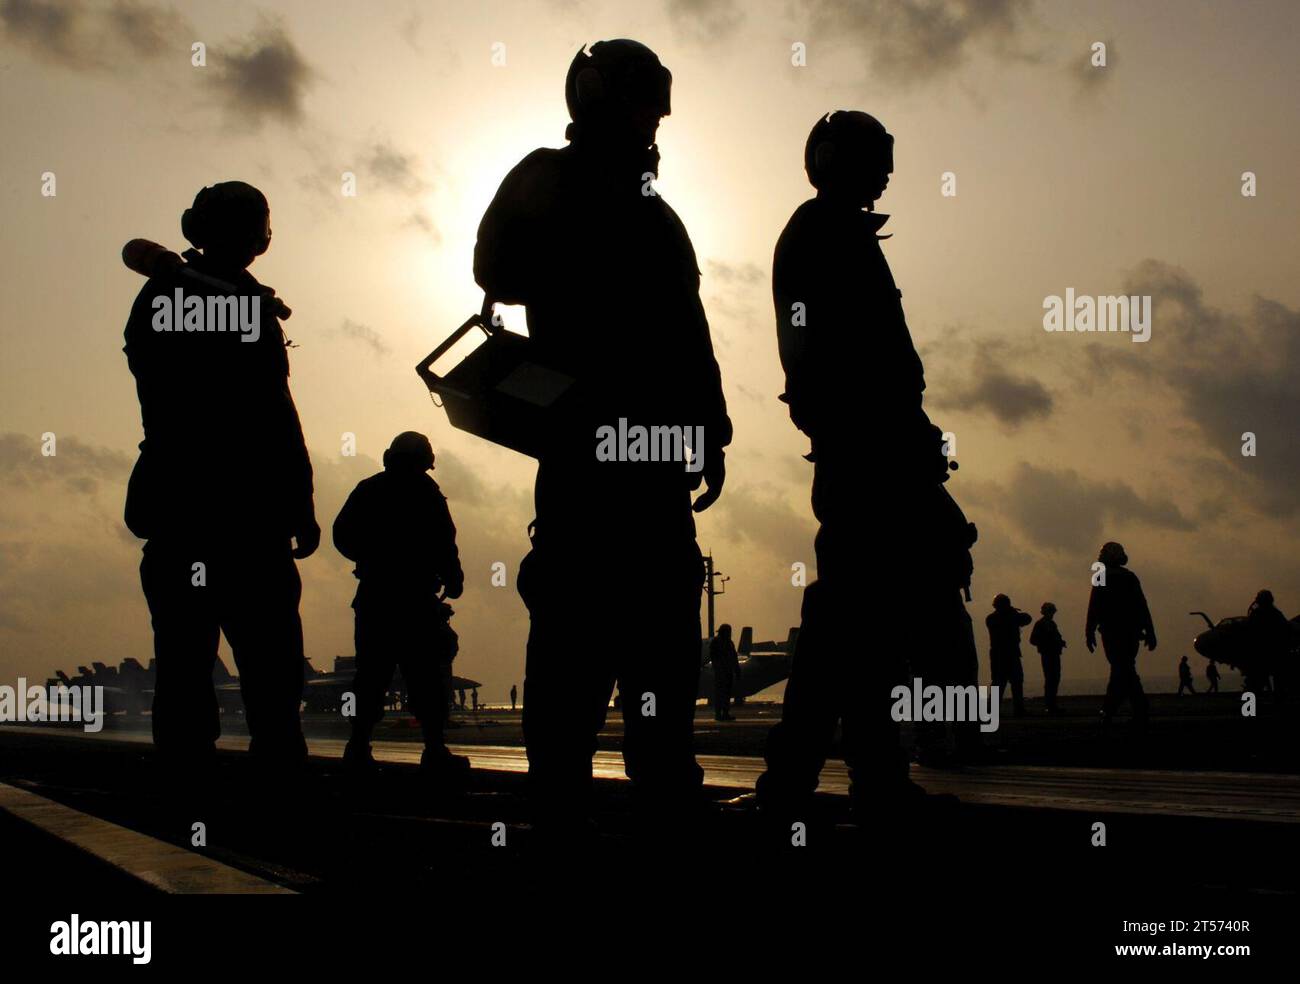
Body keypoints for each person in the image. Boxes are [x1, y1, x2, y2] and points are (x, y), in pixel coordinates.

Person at [474, 39, 731, 828]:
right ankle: (560, 791)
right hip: (586, 442)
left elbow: (689, 326)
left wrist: (710, 426)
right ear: (597, 97)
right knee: (576, 625)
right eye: (644, 98)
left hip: (653, 452)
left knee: (659, 621)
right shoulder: (551, 176)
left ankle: (660, 779)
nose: (656, 116)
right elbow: (497, 270)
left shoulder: (658, 213)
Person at [756, 110, 979, 819]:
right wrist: (874, 433)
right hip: (868, 452)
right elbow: (831, 355)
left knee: (855, 620)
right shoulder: (824, 235)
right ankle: (840, 775)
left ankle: (834, 773)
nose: (885, 172)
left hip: (876, 445)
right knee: (856, 619)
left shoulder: (837, 233)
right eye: (873, 158)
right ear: (832, 160)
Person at [123, 181, 318, 774]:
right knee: (246, 663)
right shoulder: (191, 300)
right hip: (227, 514)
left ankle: (216, 781)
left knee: (224, 663)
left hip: (208, 514)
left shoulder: (218, 300)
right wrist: (299, 501)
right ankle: (247, 782)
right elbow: (268, 413)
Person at [333, 432, 468, 779]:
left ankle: (358, 747)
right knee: (424, 678)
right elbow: (445, 542)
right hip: (413, 602)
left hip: (376, 599)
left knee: (371, 676)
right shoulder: (427, 494)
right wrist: (452, 578)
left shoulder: (369, 489)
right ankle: (434, 750)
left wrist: (372, 557)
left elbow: (342, 535)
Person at [1086, 541, 1156, 726]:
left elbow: (1094, 607)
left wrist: (1089, 631)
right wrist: (1150, 631)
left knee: (1122, 669)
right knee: (1123, 669)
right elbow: (1142, 606)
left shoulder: (1102, 577)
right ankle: (1116, 709)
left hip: (1112, 633)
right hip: (1130, 633)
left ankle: (1124, 709)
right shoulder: (1129, 577)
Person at [986, 595, 1031, 717]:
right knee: (1007, 683)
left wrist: (1012, 612)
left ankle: (993, 711)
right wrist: (1012, 612)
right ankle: (1016, 709)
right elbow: (1026, 618)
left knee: (1004, 683)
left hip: (1001, 654)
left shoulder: (992, 618)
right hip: (1006, 654)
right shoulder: (997, 618)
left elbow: (1027, 618)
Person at [1247, 590, 1292, 699]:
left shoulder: (1256, 614)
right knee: (1279, 682)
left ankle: (1250, 711)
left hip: (1262, 654)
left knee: (1255, 684)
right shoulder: (1277, 614)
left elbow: (1250, 633)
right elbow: (1287, 631)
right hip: (1276, 653)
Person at [1029, 602, 1066, 714]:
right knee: (1051, 679)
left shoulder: (1051, 624)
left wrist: (1060, 642)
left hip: (1054, 654)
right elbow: (1033, 640)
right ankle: (1050, 705)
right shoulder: (1041, 624)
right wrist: (1047, 643)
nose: (1053, 613)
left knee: (1054, 679)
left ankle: (1052, 704)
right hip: (1048, 655)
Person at [710, 624, 740, 721]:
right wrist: (736, 670)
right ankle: (720, 714)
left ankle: (723, 714)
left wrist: (736, 670)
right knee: (721, 694)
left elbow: (734, 657)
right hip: (722, 672)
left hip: (725, 672)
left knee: (724, 694)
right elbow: (714, 657)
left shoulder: (724, 642)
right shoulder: (719, 642)